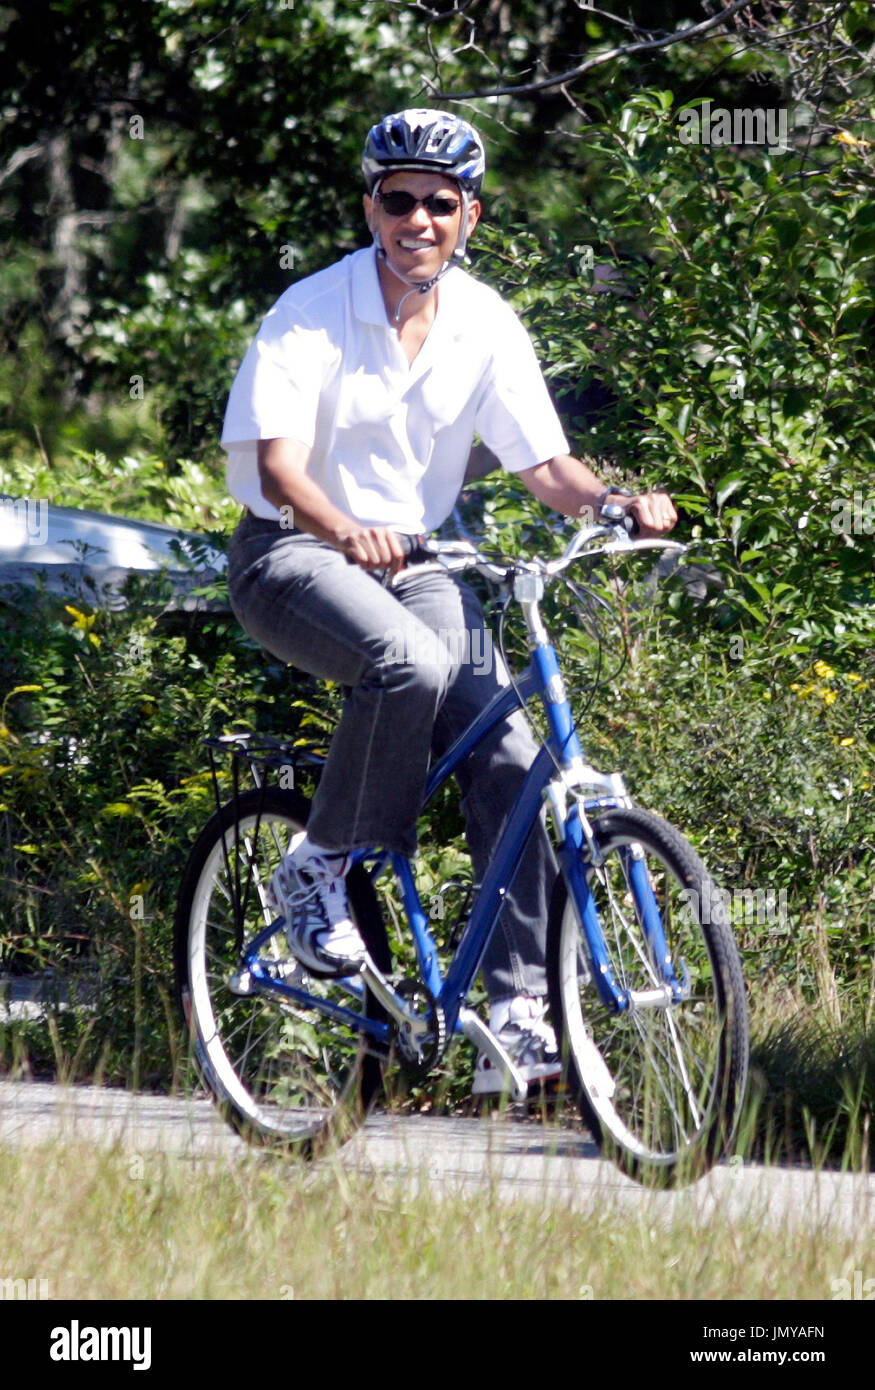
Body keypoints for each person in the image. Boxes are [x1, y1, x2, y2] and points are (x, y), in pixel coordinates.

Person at [221, 108, 677, 1094]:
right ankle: (320, 865)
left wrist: (610, 502)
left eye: (439, 203)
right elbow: (276, 464)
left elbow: (543, 464)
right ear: (369, 207)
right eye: (397, 200)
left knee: (516, 756)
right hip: (291, 553)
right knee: (410, 666)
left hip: (416, 565)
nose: (416, 219)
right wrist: (343, 527)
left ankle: (511, 1009)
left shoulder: (485, 321)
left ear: (468, 215)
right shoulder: (311, 310)